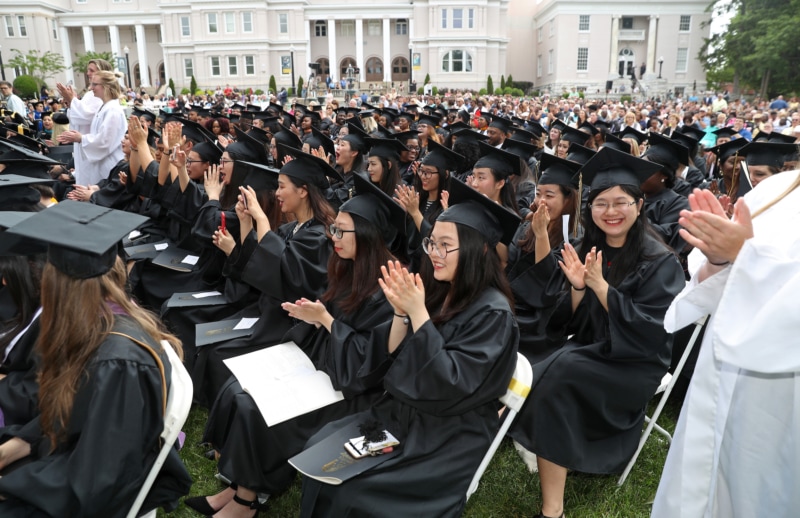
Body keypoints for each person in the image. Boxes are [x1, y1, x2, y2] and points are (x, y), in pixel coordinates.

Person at [299, 177, 520, 517]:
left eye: (445, 245)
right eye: (431, 243)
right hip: (402, 412)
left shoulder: (494, 314)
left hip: (447, 433)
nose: (433, 254)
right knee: (320, 449)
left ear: (481, 249)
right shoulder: (440, 291)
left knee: (354, 491)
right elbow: (388, 358)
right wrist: (402, 315)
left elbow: (451, 383)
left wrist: (418, 314)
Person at [187, 178, 402, 517]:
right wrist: (312, 316)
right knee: (239, 387)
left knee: (254, 407)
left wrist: (326, 321)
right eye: (335, 230)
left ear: (369, 235)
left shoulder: (389, 284)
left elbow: (370, 364)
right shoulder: (347, 266)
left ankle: (247, 501)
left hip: (351, 390)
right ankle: (237, 485)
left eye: (342, 232)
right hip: (322, 364)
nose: (334, 238)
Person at [509, 147, 685, 518]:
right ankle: (550, 486)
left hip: (636, 363)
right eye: (601, 203)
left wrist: (602, 289)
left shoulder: (660, 261)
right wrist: (576, 287)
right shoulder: (591, 247)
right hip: (593, 349)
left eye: (620, 202)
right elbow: (569, 322)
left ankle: (551, 509)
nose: (611, 212)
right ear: (589, 209)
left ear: (639, 205)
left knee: (557, 373)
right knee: (551, 366)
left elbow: (652, 333)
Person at [0, 201, 191, 516]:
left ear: (58, 288)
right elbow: (72, 414)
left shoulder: (119, 364)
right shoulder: (95, 331)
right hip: (65, 462)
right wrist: (14, 448)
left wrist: (8, 487)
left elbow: (96, 483)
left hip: (79, 493)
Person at [652, 172, 800, 516]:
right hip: (721, 374)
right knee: (708, 481)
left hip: (782, 399)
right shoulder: (777, 188)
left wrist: (745, 257)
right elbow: (723, 275)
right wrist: (719, 255)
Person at [57, 71, 127, 186]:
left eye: (95, 84)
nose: (91, 87)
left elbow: (105, 141)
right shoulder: (103, 107)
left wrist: (81, 138)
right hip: (100, 164)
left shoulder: (113, 110)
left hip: (109, 164)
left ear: (106, 86)